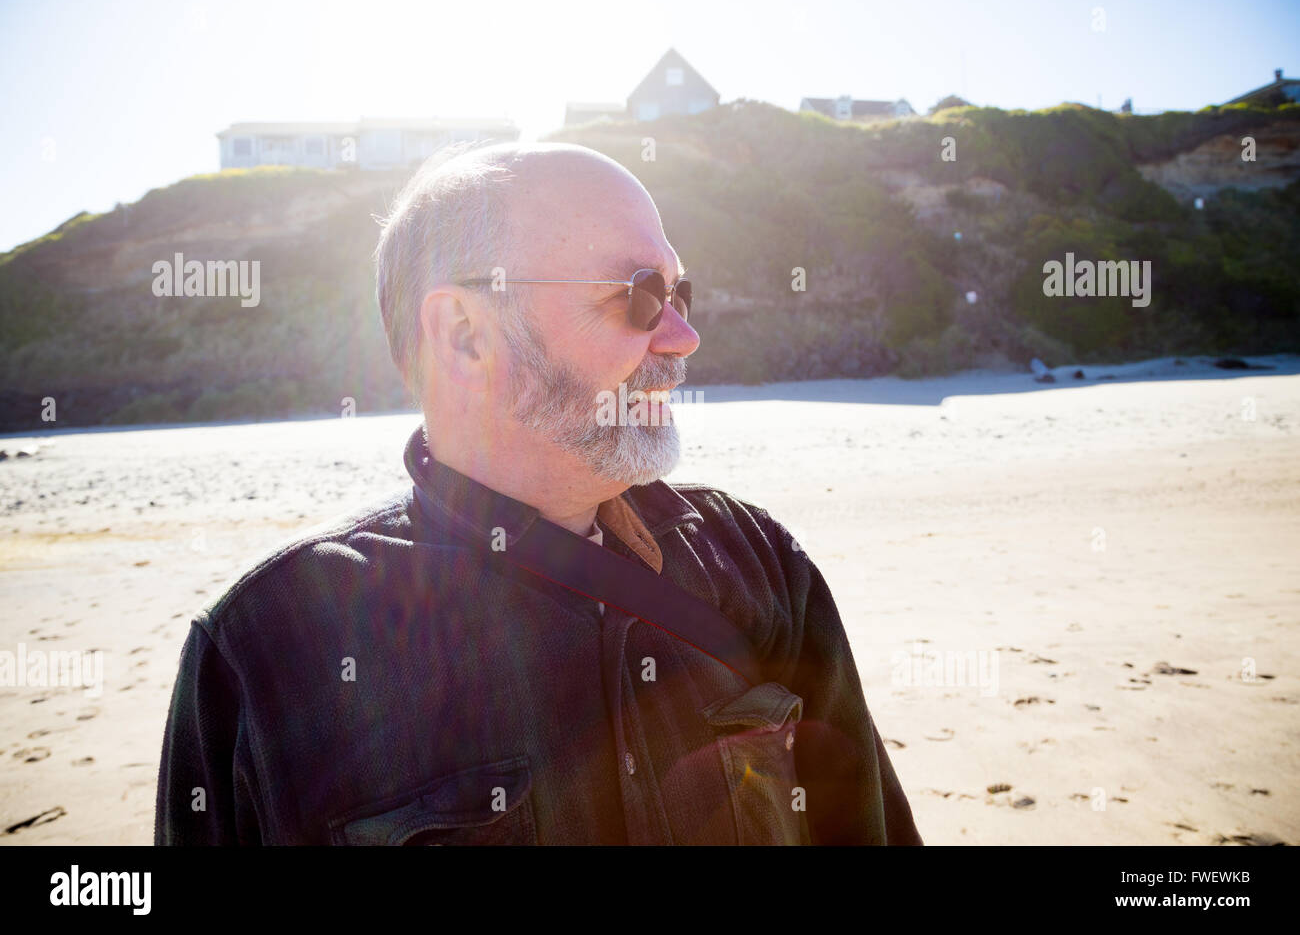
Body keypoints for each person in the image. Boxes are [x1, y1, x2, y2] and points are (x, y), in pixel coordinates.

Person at [154, 141, 921, 845]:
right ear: (464, 334)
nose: (682, 337)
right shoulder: (268, 650)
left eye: (680, 294)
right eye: (638, 296)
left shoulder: (758, 565)